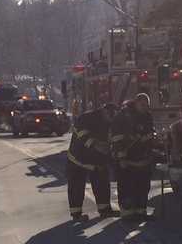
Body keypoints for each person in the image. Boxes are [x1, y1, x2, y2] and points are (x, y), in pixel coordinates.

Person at [65, 103, 119, 221]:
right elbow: (81, 132)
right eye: (109, 116)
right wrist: (95, 145)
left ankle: (105, 210)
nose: (111, 119)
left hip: (97, 160)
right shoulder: (87, 118)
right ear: (104, 111)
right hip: (78, 158)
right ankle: (76, 214)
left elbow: (112, 139)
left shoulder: (111, 122)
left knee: (102, 184)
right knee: (77, 187)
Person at [111, 93, 159, 222]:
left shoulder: (147, 116)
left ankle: (140, 212)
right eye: (142, 105)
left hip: (143, 159)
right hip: (127, 160)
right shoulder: (123, 116)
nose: (145, 108)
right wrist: (121, 158)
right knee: (127, 187)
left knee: (143, 187)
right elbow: (116, 138)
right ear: (136, 103)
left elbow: (149, 133)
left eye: (147, 105)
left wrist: (153, 139)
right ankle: (127, 214)